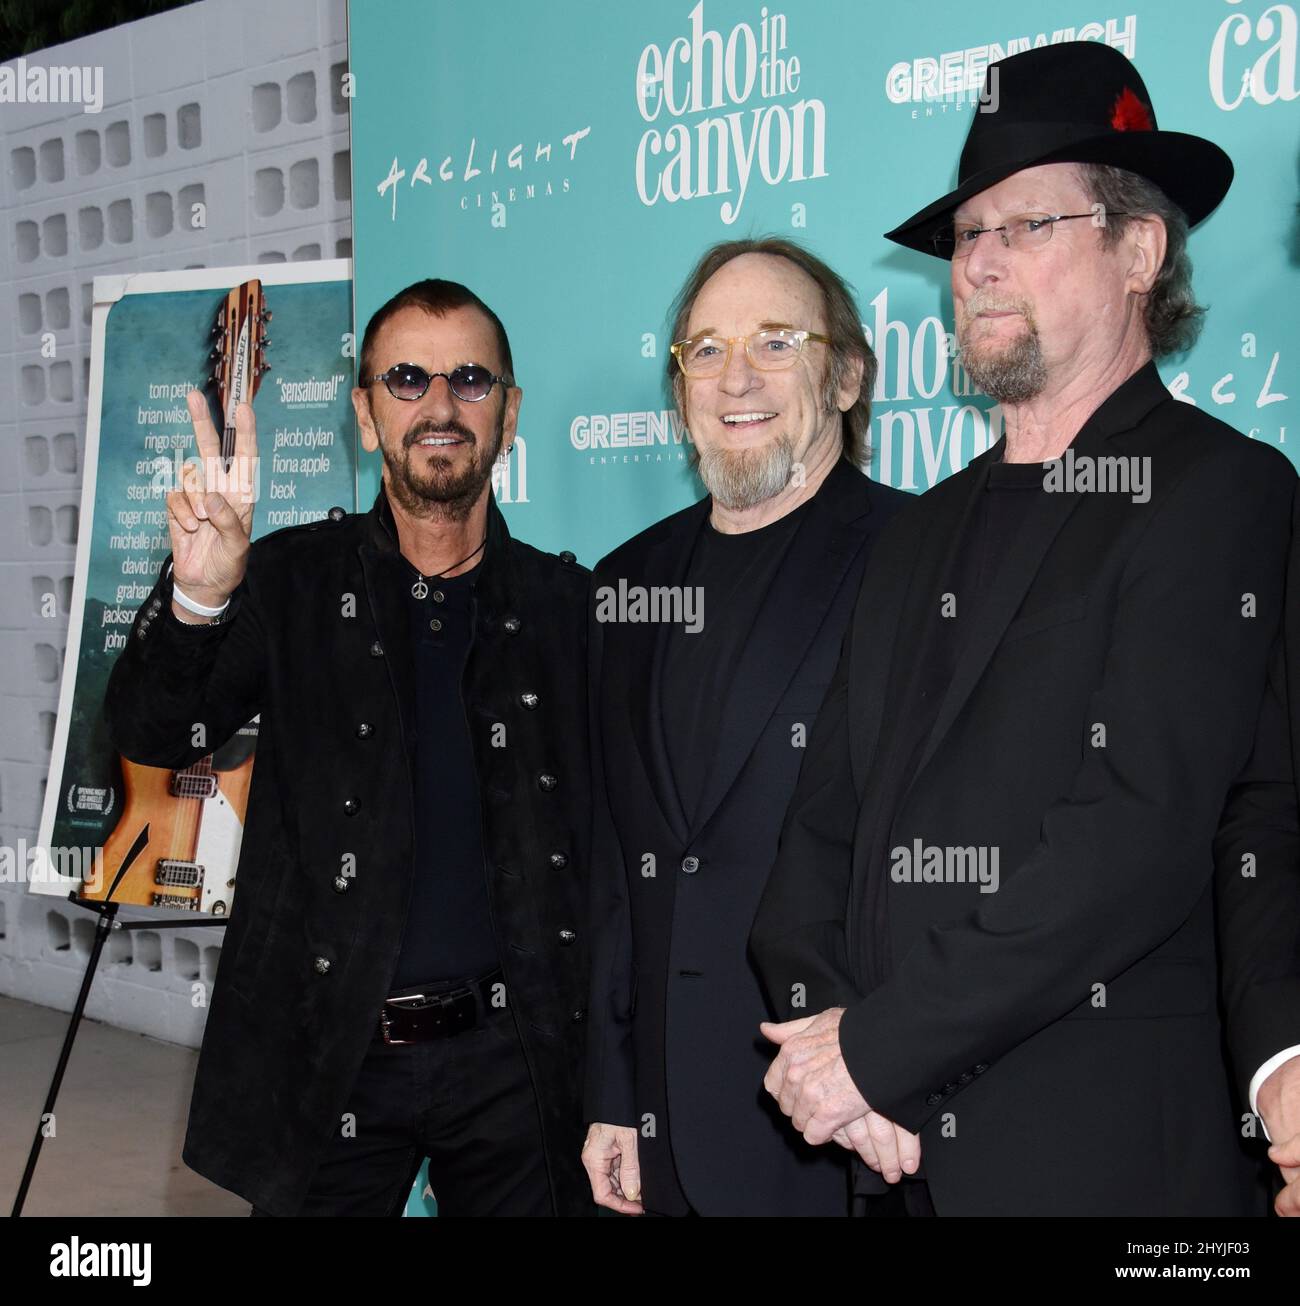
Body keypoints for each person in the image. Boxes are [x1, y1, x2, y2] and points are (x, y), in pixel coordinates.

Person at [750, 43, 1294, 1216]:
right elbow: (818, 829)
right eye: (967, 236)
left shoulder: (1218, 492)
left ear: (1138, 250)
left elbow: (1130, 840)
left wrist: (877, 1051)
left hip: (1099, 1164)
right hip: (889, 1162)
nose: (979, 265)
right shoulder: (913, 531)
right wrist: (827, 1052)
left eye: (1025, 227)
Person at [105, 279, 593, 1216]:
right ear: (365, 415)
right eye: (407, 380)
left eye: (471, 379)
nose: (441, 406)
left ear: (510, 412)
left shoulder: (569, 609)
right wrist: (201, 598)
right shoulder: (286, 581)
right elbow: (155, 734)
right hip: (326, 1056)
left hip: (516, 1066)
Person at [582, 237, 907, 1215]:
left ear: (845, 375)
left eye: (774, 342)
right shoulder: (623, 582)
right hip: (666, 1122)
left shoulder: (919, 557)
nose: (734, 379)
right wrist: (612, 1092)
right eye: (705, 350)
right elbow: (610, 860)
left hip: (848, 1126)